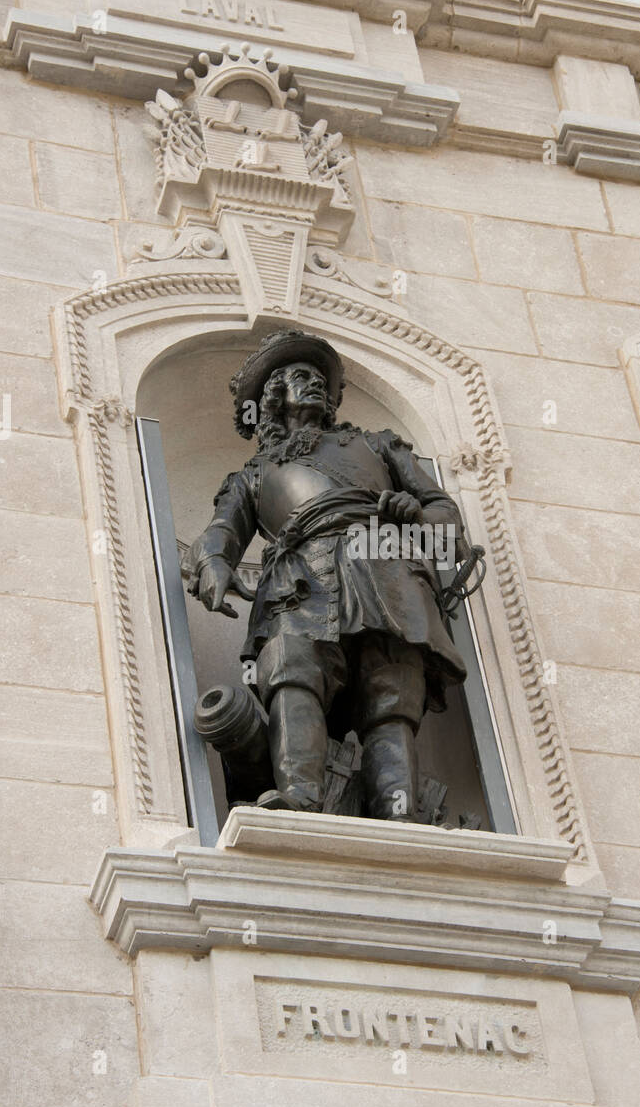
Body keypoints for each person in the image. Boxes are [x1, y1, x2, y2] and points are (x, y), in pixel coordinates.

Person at [188, 328, 474, 820]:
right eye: (301, 377)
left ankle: (398, 810)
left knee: (389, 691)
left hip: (386, 564)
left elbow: (447, 522)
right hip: (300, 577)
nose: (315, 384)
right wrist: (214, 563)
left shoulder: (379, 446)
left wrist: (415, 515)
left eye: (320, 377)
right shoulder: (253, 475)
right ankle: (301, 793)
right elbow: (220, 532)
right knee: (292, 669)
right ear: (274, 398)